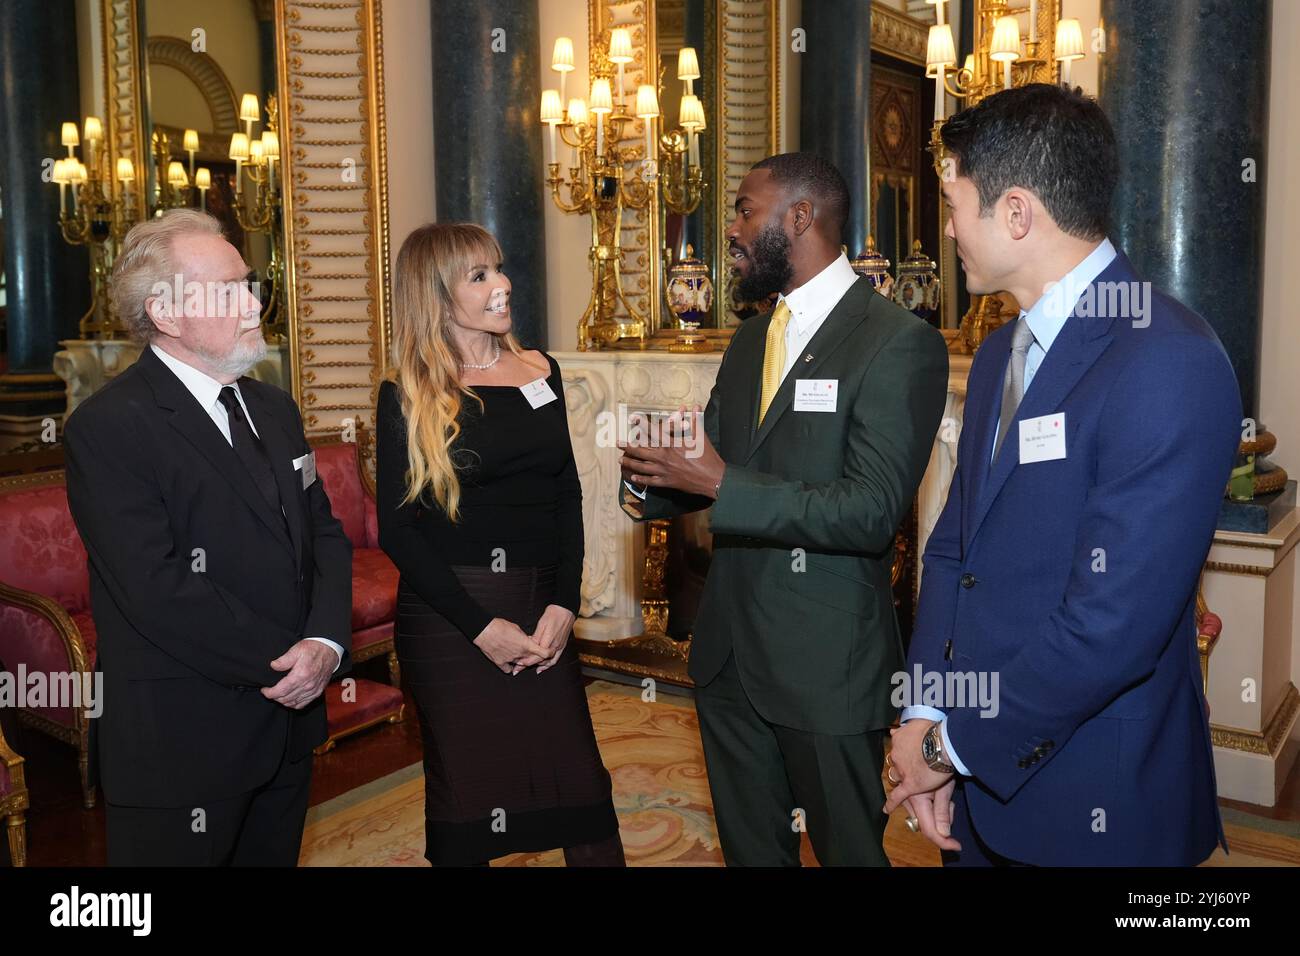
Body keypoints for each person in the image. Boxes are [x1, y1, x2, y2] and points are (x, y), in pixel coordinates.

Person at [884, 84, 1241, 866]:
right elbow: (953, 555)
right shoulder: (994, 360)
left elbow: (1111, 630)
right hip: (974, 788)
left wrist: (950, 747)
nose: (946, 231)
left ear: (1016, 213)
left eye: (954, 206)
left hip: (1093, 801)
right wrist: (924, 711)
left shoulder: (1166, 358)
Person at [618, 153, 949, 866]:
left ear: (799, 217)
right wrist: (653, 478)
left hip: (826, 666)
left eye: (743, 209)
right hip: (727, 656)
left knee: (850, 854)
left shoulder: (898, 342)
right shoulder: (749, 339)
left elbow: (869, 511)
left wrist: (717, 480)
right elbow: (717, 467)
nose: (731, 228)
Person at [63, 209, 352, 866]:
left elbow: (325, 538)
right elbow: (156, 588)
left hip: (287, 724)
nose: (255, 303)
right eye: (231, 290)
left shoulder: (275, 408)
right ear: (167, 314)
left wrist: (327, 643)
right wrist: (290, 663)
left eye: (249, 283)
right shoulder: (109, 427)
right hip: (183, 740)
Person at [376, 222, 624, 867]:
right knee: (469, 799)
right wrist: (480, 627)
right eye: (479, 275)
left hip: (543, 606)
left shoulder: (542, 369)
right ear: (436, 295)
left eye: (499, 268)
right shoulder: (406, 392)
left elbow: (565, 493)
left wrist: (566, 604)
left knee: (581, 791)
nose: (503, 284)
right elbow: (398, 529)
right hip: (450, 622)